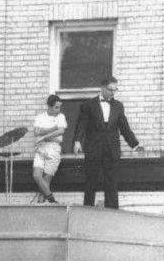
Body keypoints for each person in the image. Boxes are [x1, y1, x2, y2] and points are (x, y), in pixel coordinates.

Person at [73, 77, 143, 208]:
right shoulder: (88, 105)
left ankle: (113, 211)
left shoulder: (118, 106)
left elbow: (124, 127)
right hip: (93, 148)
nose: (113, 93)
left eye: (115, 90)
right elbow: (81, 125)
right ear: (102, 88)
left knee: (111, 182)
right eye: (110, 89)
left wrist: (135, 144)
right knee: (91, 181)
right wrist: (77, 141)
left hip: (112, 149)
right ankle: (87, 211)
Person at [33, 94, 67, 203]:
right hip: (40, 148)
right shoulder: (40, 117)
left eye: (59, 107)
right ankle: (52, 200)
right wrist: (53, 129)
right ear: (49, 106)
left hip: (53, 149)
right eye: (56, 107)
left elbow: (61, 131)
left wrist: (44, 136)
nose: (58, 110)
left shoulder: (61, 117)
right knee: (37, 176)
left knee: (46, 179)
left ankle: (40, 203)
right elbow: (36, 132)